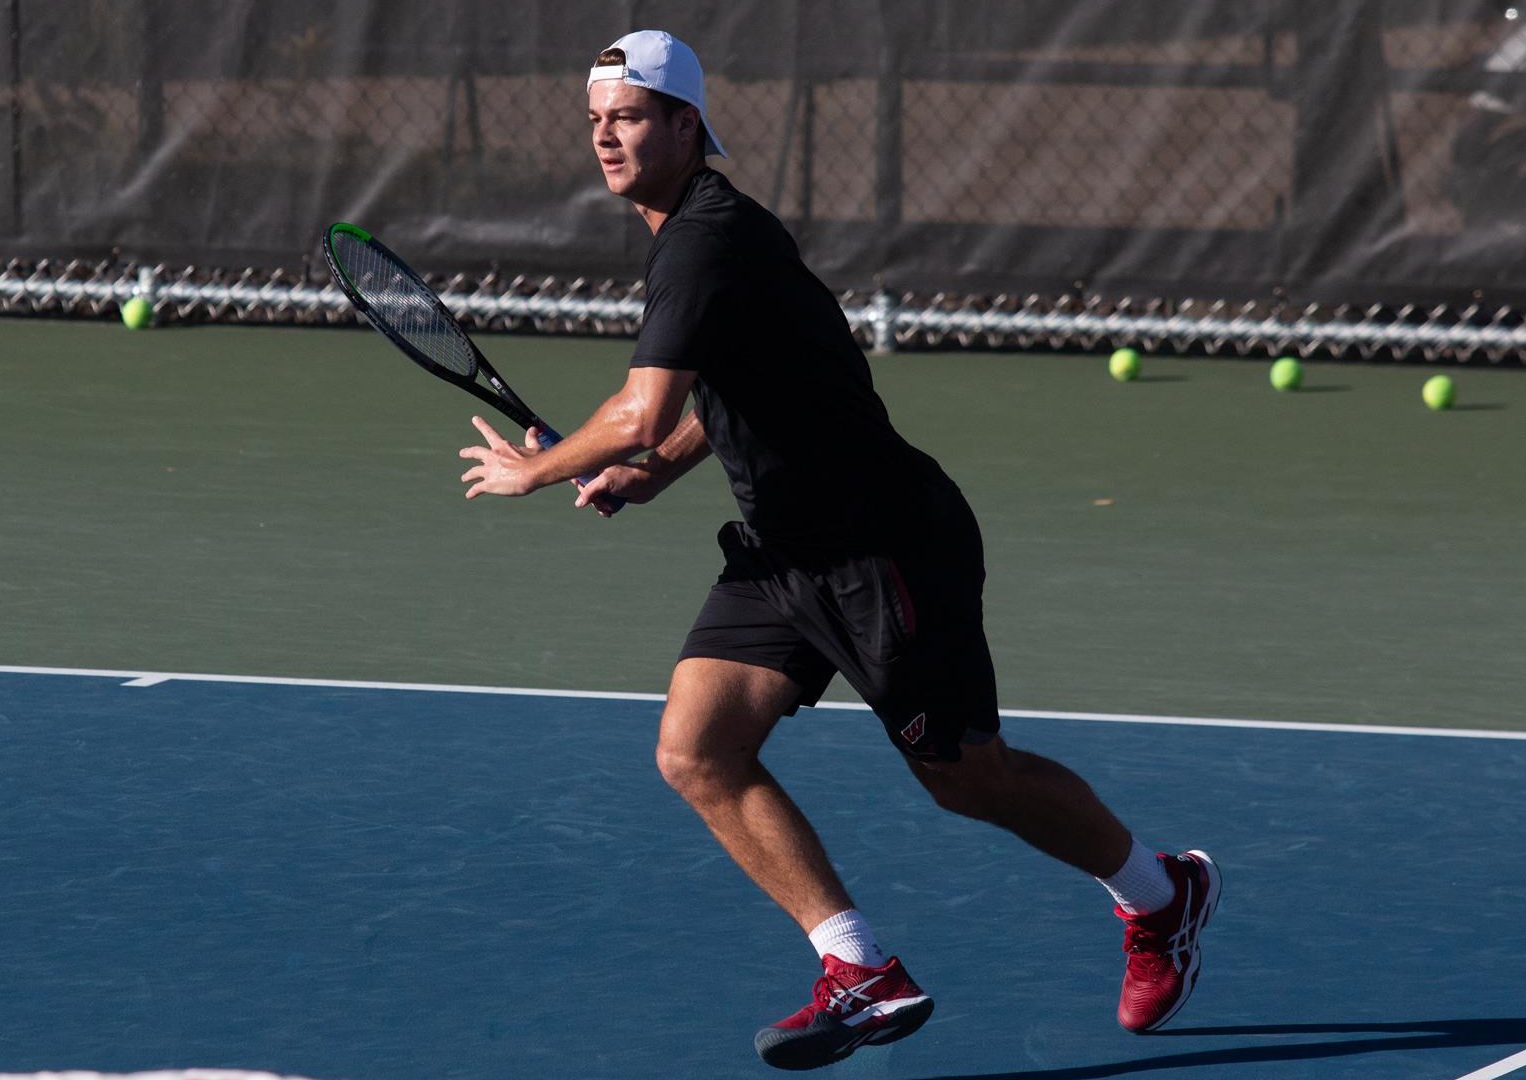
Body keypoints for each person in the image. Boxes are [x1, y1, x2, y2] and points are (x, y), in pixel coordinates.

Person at [457, 29, 1220, 1072]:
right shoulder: (692, 236)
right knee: (697, 751)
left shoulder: (705, 238)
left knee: (969, 780)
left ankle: (1162, 895)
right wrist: (655, 472)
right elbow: (727, 391)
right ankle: (859, 971)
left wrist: (539, 469)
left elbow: (641, 409)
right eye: (595, 119)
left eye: (627, 116)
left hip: (885, 550)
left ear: (686, 125)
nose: (605, 136)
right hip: (783, 554)